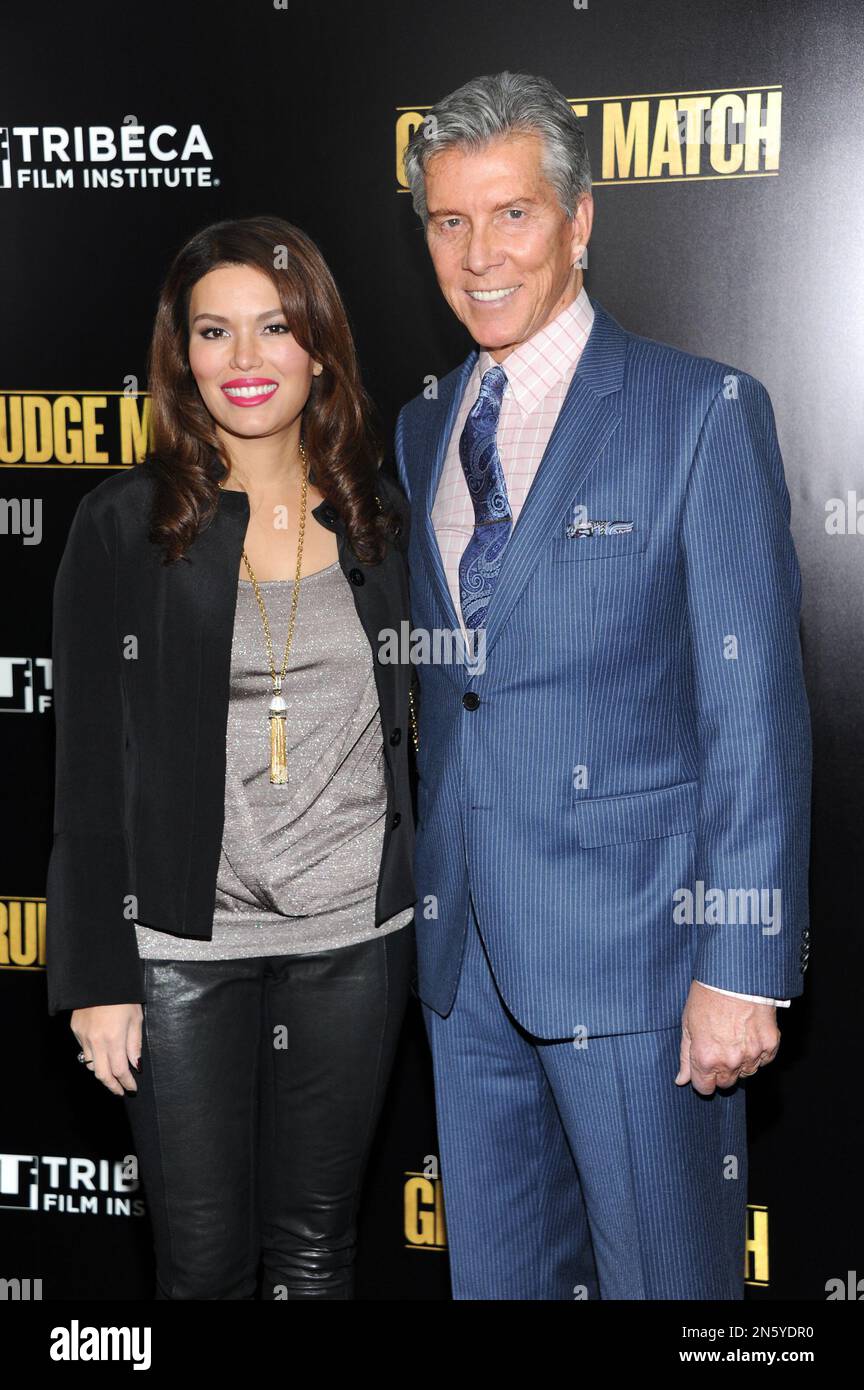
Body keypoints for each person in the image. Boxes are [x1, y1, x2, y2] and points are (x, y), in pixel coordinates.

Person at [396, 71, 811, 1300]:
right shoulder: (427, 426)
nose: (480, 255)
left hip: (642, 957)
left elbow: (755, 710)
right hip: (465, 957)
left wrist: (740, 964)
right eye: (449, 222)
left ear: (580, 221)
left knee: (670, 1289)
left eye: (513, 214)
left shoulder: (701, 412)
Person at [45, 216, 418, 1300]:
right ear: (181, 353)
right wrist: (99, 976)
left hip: (358, 937)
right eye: (215, 332)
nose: (245, 362)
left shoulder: (377, 514)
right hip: (180, 948)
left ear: (321, 348)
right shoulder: (124, 526)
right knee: (202, 1268)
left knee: (316, 1252)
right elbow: (82, 771)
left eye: (275, 330)